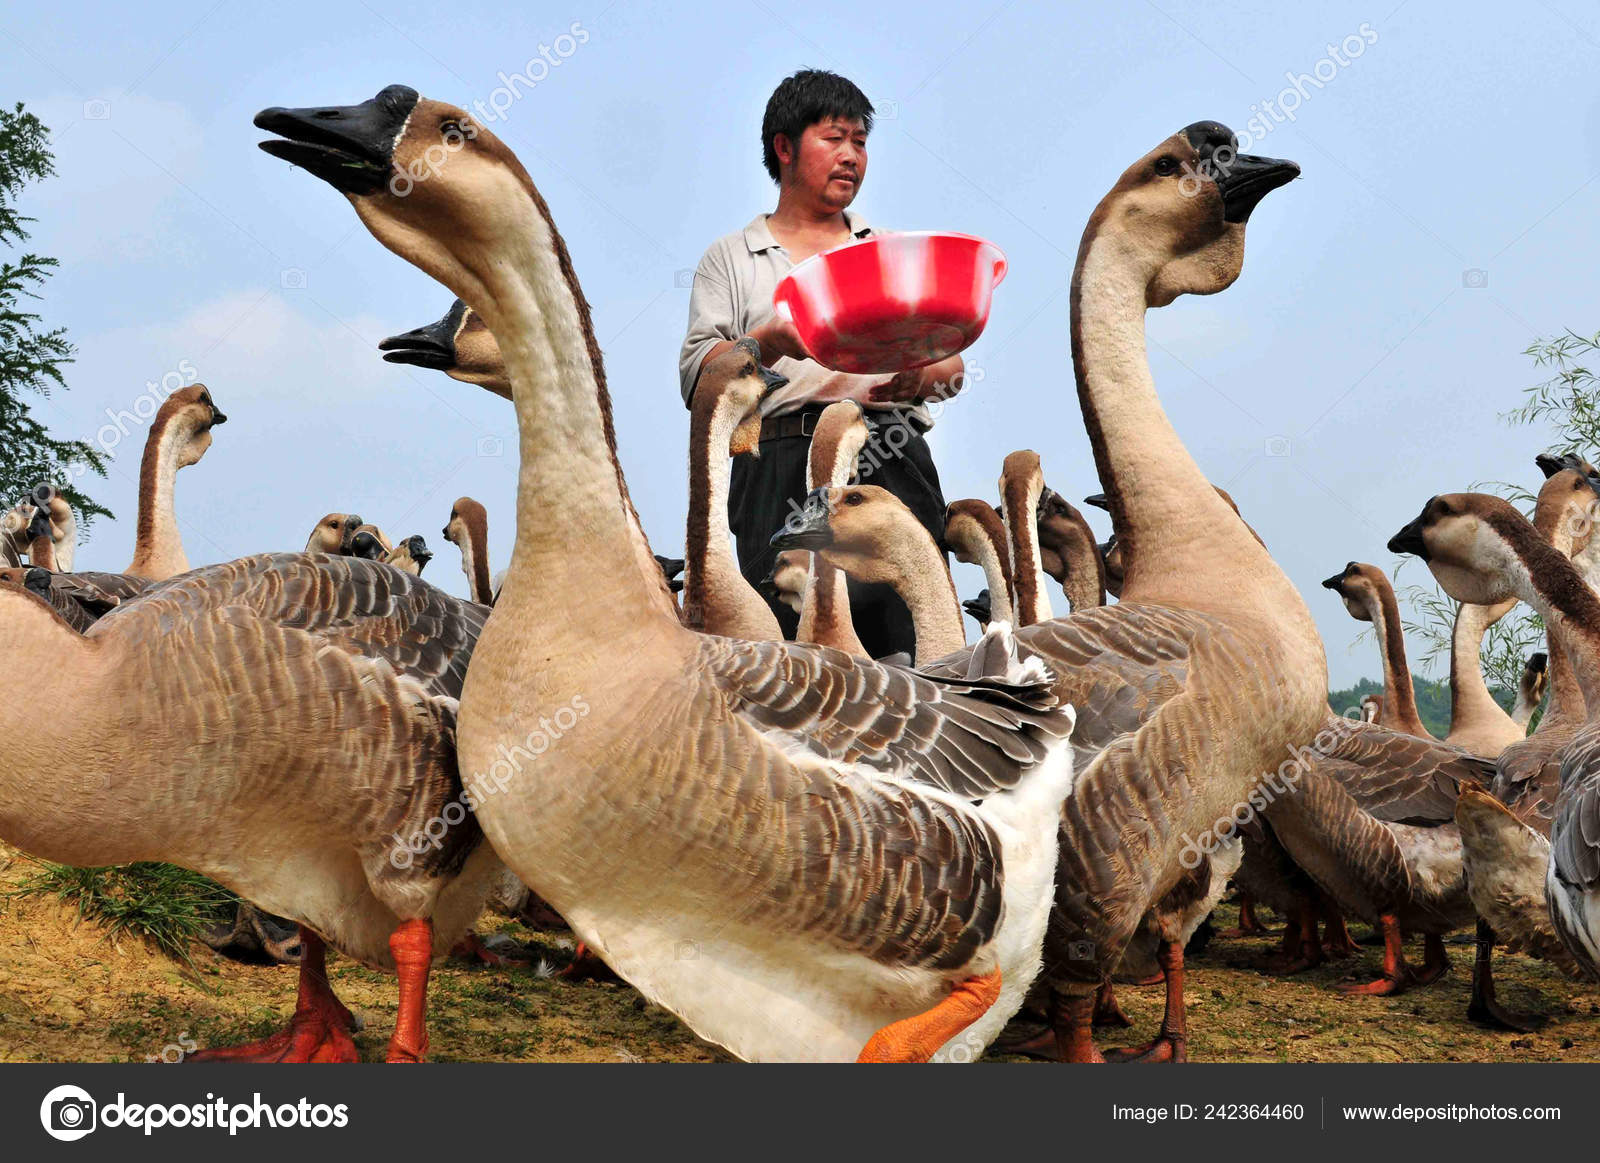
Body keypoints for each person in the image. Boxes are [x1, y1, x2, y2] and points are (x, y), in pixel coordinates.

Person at [678, 69, 966, 659]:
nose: (851, 157)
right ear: (784, 147)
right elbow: (697, 374)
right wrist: (775, 339)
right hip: (774, 461)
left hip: (886, 456)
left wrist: (920, 376)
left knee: (917, 652)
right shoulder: (733, 258)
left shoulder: (887, 252)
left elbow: (953, 367)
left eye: (860, 142)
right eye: (834, 139)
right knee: (787, 658)